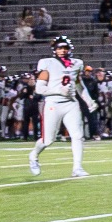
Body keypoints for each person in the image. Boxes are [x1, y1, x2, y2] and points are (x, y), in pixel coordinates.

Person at [30, 36, 91, 178]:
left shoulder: (77, 63)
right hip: (53, 103)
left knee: (77, 136)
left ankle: (77, 168)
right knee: (48, 140)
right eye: (59, 48)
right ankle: (33, 156)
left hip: (71, 102)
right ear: (54, 49)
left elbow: (78, 85)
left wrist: (89, 100)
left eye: (65, 48)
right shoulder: (47, 63)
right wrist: (58, 91)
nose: (62, 50)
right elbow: (39, 89)